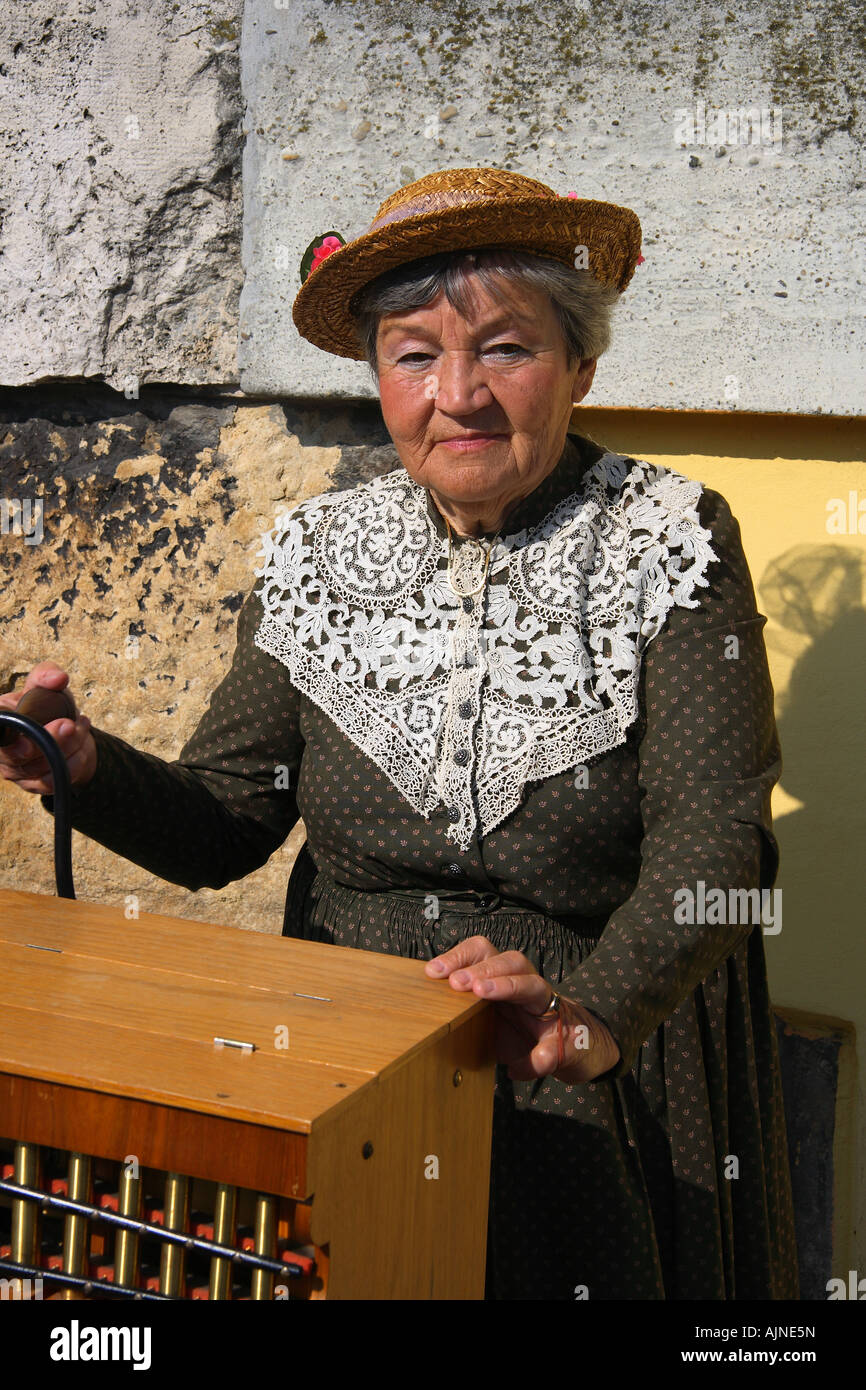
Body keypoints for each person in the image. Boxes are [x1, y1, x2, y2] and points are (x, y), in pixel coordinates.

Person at [0, 167, 798, 1300]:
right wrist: (83, 766)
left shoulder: (667, 536)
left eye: (507, 349)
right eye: (414, 355)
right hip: (349, 1057)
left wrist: (591, 1015)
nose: (457, 394)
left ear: (579, 364)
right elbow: (230, 818)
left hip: (577, 1050)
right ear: (377, 379)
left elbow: (716, 843)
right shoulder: (317, 554)